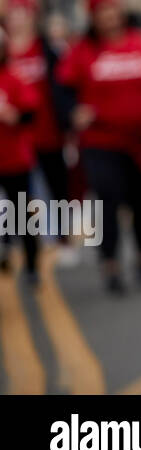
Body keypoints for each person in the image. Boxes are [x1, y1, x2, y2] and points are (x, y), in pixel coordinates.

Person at [56, 0, 141, 294]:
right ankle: (110, 264)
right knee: (108, 198)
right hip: (100, 142)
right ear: (93, 15)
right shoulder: (82, 50)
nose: (108, 15)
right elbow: (62, 89)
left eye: (112, 8)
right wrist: (73, 111)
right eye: (101, 10)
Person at [3, 0, 75, 263]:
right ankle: (13, 241)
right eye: (12, 14)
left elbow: (63, 86)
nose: (17, 19)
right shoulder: (4, 49)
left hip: (47, 132)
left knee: (56, 186)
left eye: (22, 13)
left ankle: (63, 238)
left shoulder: (46, 48)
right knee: (16, 193)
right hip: (12, 137)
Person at [0, 28, 40, 283]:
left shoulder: (13, 77)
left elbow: (30, 111)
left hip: (13, 159)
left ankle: (32, 266)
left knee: (23, 216)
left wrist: (11, 114)